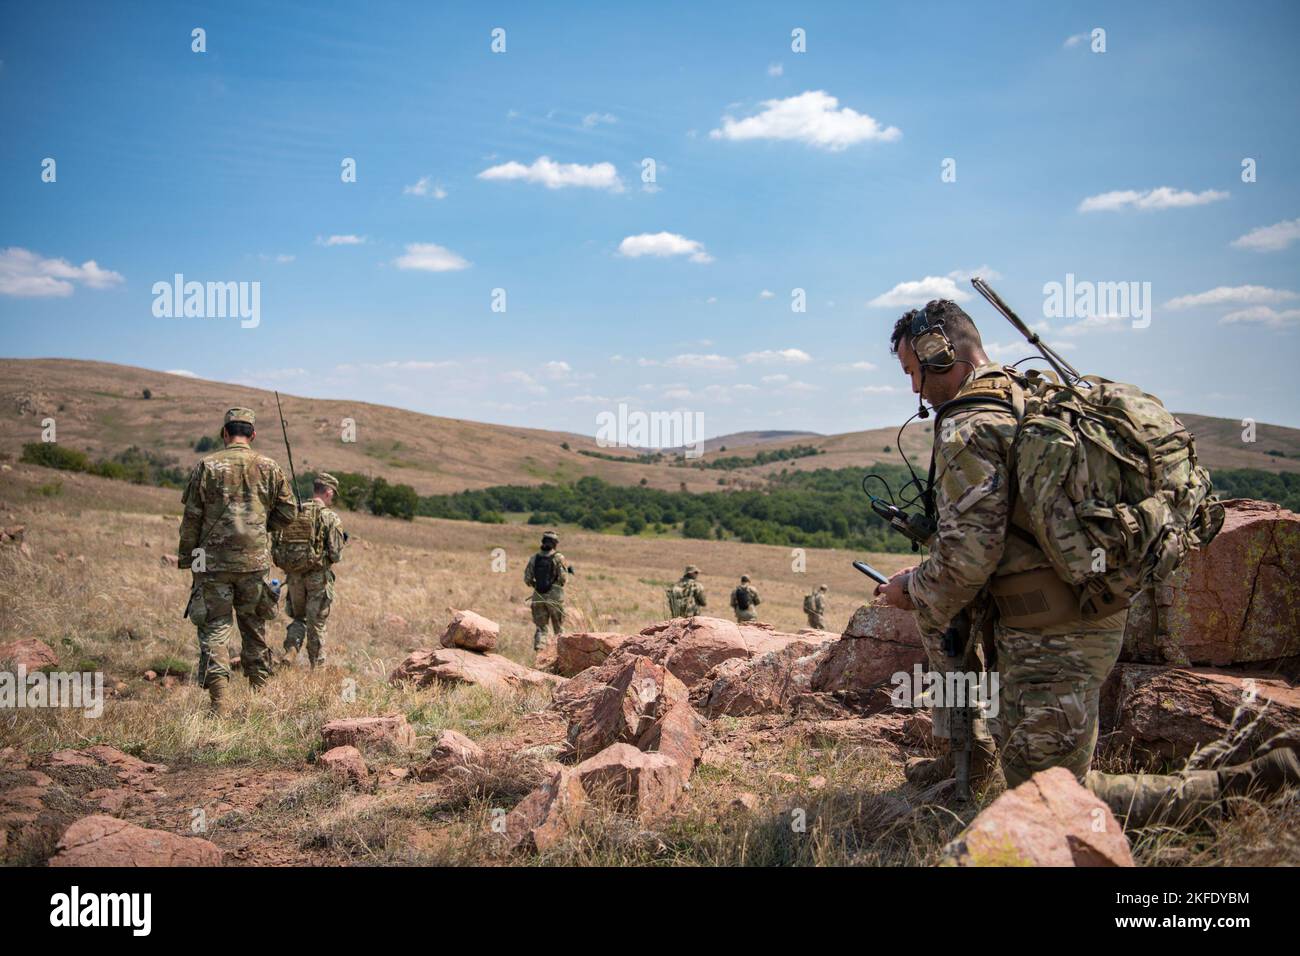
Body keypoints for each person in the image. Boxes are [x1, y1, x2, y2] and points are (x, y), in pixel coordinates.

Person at [872, 298, 1297, 815]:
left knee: (1048, 804)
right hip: (1082, 612)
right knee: (1030, 768)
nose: (915, 390)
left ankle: (1246, 790)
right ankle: (970, 756)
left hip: (1050, 639)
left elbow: (965, 562)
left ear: (940, 352)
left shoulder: (971, 427)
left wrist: (911, 588)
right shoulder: (1031, 394)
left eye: (914, 372)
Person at [177, 407, 296, 715]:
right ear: (252, 435)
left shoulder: (207, 465)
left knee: (215, 629)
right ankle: (261, 697)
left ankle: (220, 703)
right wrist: (259, 526)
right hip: (255, 563)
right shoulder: (269, 467)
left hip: (211, 563)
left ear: (225, 433)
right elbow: (288, 513)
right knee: (254, 628)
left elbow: (191, 518)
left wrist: (188, 558)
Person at [273, 472, 346, 668]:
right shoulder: (330, 517)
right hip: (317, 578)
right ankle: (317, 667)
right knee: (317, 624)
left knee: (299, 618)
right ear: (328, 492)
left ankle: (291, 651)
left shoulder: (294, 513)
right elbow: (336, 554)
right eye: (333, 494)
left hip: (294, 577)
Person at [524, 531, 570, 651]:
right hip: (555, 597)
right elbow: (563, 578)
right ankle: (561, 654)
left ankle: (539, 653)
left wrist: (537, 585)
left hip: (538, 596)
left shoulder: (534, 558)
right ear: (555, 543)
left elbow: (527, 579)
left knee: (541, 628)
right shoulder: (559, 557)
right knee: (558, 629)